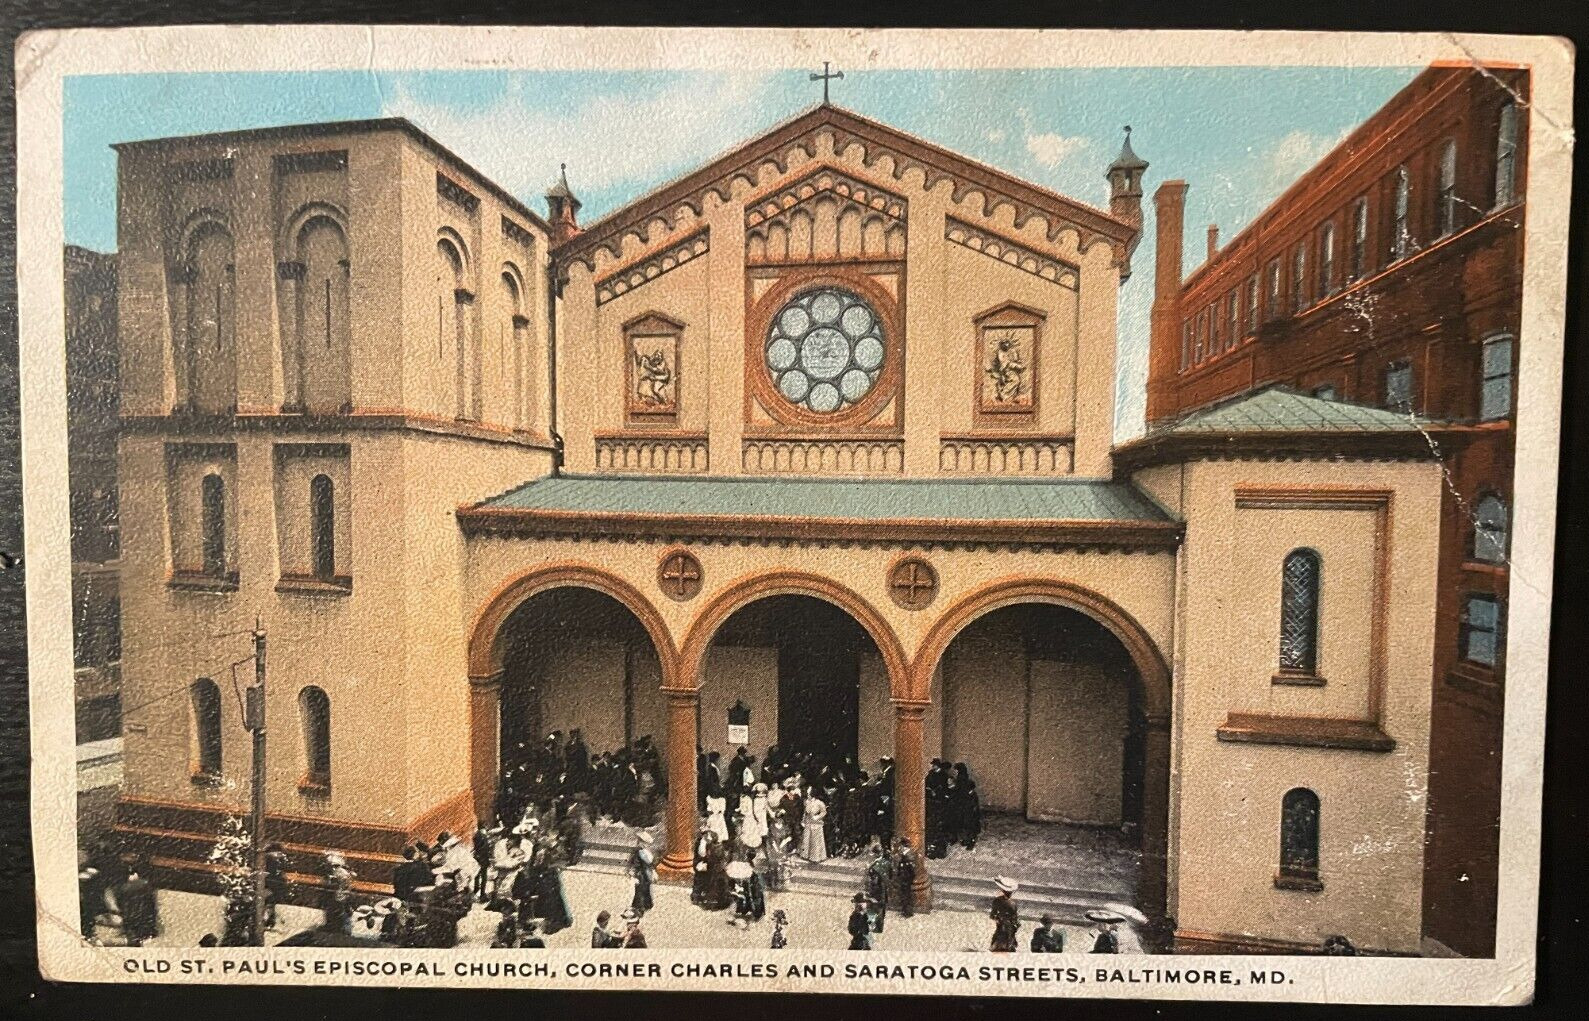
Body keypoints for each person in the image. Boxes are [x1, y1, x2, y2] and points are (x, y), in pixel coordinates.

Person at [116, 862, 160, 947]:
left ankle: (135, 935)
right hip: (139, 913)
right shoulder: (143, 884)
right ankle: (138, 935)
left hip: (133, 912)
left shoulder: (128, 887)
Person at [953, 763, 982, 850]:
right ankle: (968, 840)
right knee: (967, 824)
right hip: (965, 806)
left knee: (967, 824)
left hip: (966, 806)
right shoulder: (963, 779)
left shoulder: (961, 780)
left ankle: (970, 841)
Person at [263, 841, 291, 929]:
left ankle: (269, 919)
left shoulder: (271, 861)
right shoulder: (275, 862)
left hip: (271, 887)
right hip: (272, 887)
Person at [865, 843, 892, 933]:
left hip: (877, 890)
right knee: (882, 908)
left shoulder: (874, 867)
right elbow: (890, 875)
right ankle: (880, 926)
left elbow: (874, 882)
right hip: (885, 889)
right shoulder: (887, 862)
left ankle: (878, 928)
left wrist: (870, 892)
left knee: (877, 908)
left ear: (876, 854)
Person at [989, 876, 1020, 952]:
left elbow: (992, 915)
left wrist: (997, 919)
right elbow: (1015, 918)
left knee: (998, 937)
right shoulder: (1013, 904)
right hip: (1009, 925)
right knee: (1009, 939)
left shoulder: (997, 901)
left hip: (1001, 923)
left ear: (1002, 890)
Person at [629, 832, 656, 917]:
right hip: (641, 874)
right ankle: (640, 908)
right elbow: (634, 864)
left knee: (645, 890)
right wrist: (633, 875)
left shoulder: (645, 852)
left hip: (645, 874)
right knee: (640, 891)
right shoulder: (638, 852)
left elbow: (650, 863)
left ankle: (645, 905)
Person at [891, 837, 918, 919]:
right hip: (903, 878)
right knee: (904, 894)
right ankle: (905, 910)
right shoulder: (903, 855)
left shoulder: (909, 855)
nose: (900, 848)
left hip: (906, 878)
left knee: (907, 895)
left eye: (901, 846)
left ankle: (908, 912)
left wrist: (909, 879)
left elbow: (912, 870)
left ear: (904, 846)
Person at [800, 786, 829, 862]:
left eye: (809, 793)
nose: (808, 795)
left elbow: (824, 812)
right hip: (808, 822)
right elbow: (805, 813)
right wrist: (803, 821)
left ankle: (816, 857)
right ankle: (806, 855)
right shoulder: (806, 802)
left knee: (815, 841)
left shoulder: (819, 803)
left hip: (816, 823)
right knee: (807, 838)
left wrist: (817, 817)